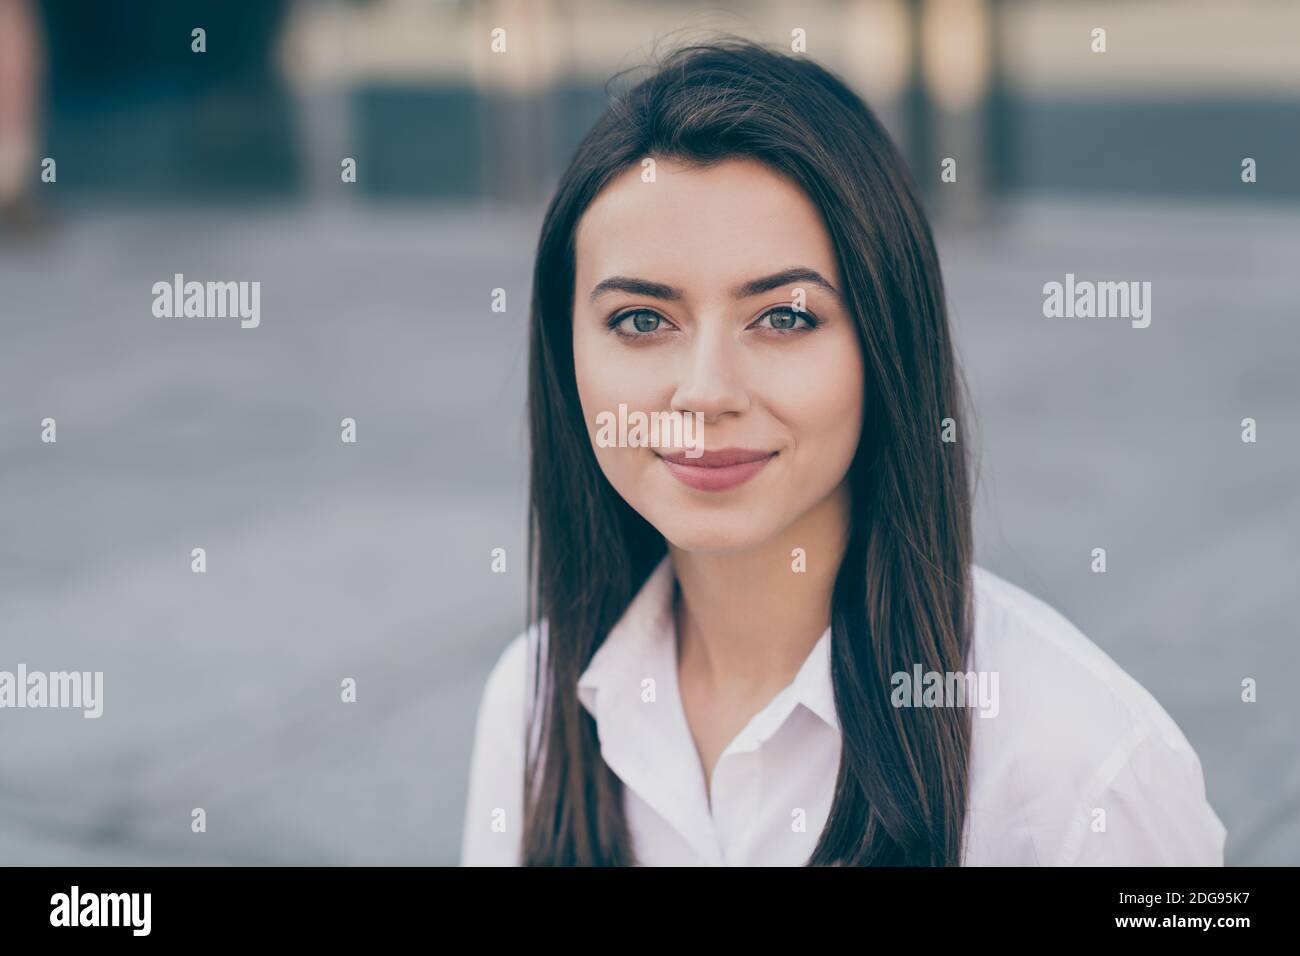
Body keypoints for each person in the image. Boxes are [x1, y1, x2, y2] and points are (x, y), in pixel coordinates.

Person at [461, 37, 1226, 866]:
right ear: (565, 351)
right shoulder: (533, 701)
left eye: (784, 317)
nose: (706, 392)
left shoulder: (1081, 765)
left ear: (884, 342)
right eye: (642, 320)